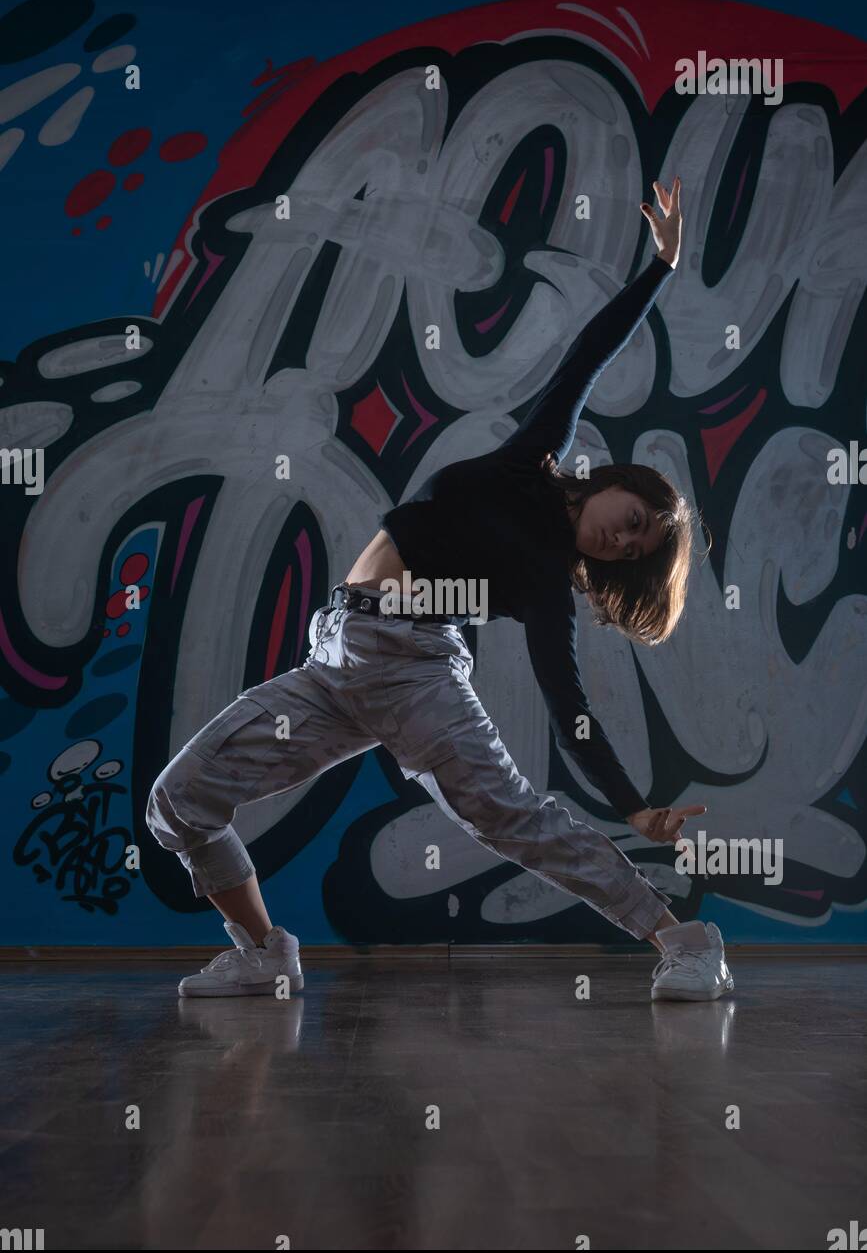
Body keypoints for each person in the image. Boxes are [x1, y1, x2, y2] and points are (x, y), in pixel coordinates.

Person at [147, 176, 734, 1004]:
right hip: (334, 659)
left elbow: (568, 707)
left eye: (634, 546)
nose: (622, 536)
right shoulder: (526, 460)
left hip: (412, 669)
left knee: (509, 817)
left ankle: (684, 941)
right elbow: (586, 358)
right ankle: (262, 952)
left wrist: (633, 806)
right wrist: (661, 269)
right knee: (177, 803)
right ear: (610, 484)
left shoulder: (542, 584)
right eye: (632, 516)